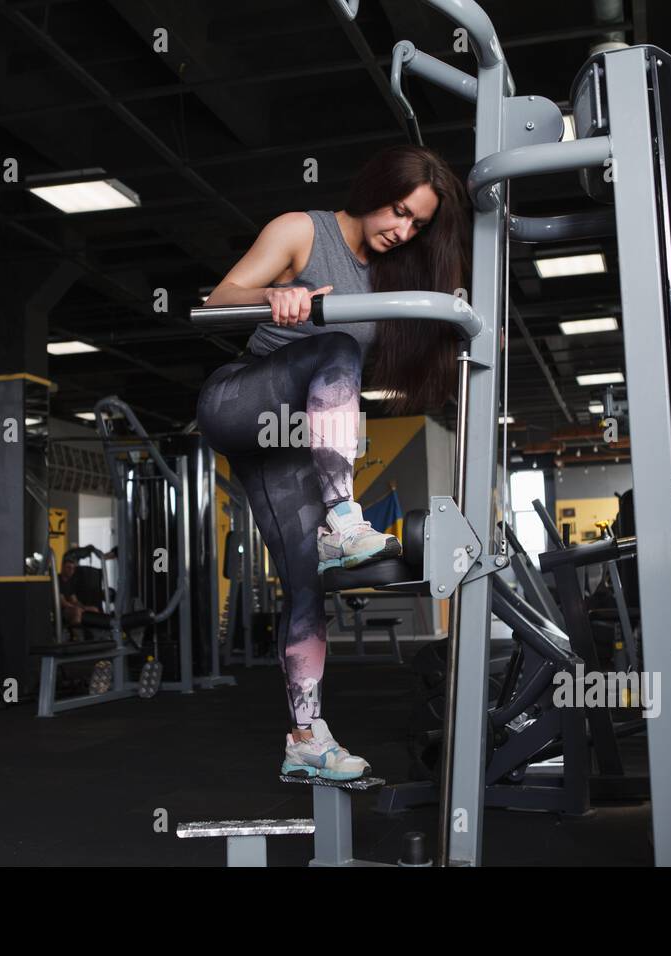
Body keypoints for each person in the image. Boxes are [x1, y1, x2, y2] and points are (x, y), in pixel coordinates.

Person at [195, 144, 470, 780]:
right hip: (239, 400)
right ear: (375, 188)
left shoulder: (391, 273)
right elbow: (217, 300)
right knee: (337, 343)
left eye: (417, 224)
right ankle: (344, 516)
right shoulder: (302, 230)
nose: (402, 230)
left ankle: (306, 738)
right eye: (399, 211)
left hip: (288, 443)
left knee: (305, 586)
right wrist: (271, 297)